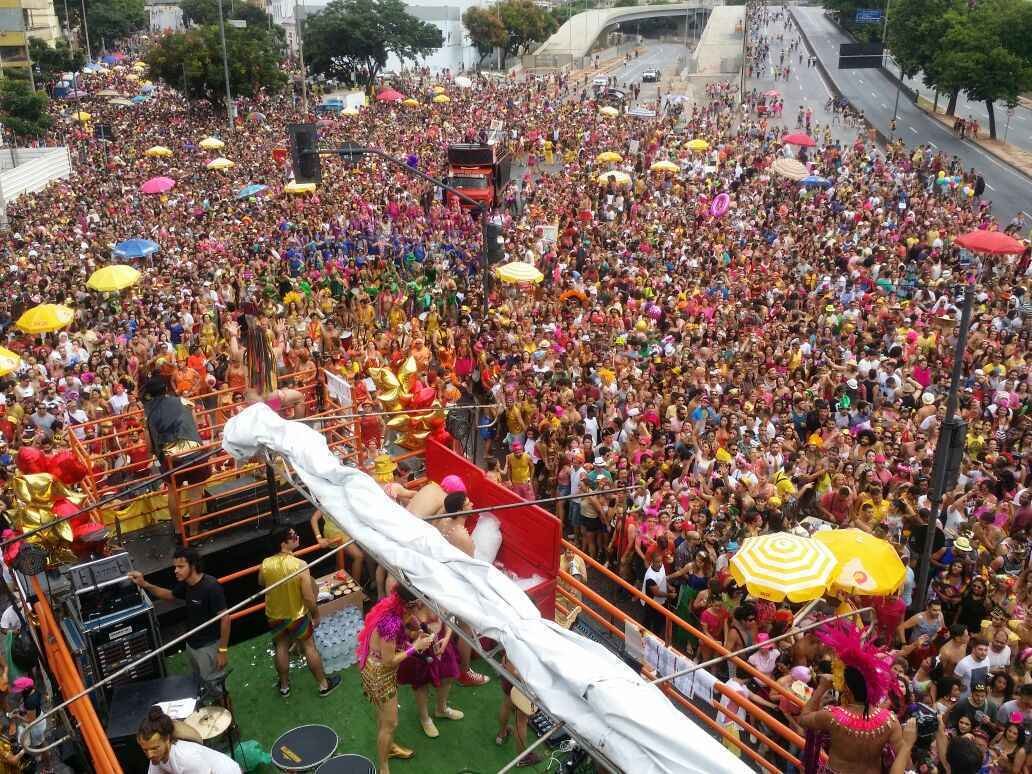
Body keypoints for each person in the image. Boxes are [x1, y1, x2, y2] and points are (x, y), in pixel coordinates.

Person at [799, 621, 904, 774]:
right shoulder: (890, 721)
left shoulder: (832, 716)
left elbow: (803, 719)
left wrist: (821, 688)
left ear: (847, 688)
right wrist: (908, 744)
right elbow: (904, 760)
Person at [128, 547, 230, 694]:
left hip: (208, 647)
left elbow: (225, 619)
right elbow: (170, 595)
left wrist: (222, 651)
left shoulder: (211, 587)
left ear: (193, 566)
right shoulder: (187, 583)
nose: (176, 570)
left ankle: (225, 707)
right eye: (175, 567)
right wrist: (145, 584)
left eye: (180, 566)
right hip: (192, 644)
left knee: (218, 688)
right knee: (200, 683)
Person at [356, 585, 435, 774]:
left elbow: (401, 634)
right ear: (409, 605)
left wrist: (415, 633)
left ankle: (389, 747)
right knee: (391, 724)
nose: (421, 609)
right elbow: (389, 661)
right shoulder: (390, 623)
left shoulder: (393, 608)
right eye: (419, 605)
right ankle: (383, 768)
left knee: (383, 716)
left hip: (375, 670)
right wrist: (415, 647)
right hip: (380, 675)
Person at [258, 528, 341, 699]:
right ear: (283, 543)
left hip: (275, 615)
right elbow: (309, 597)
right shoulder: (300, 565)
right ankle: (323, 685)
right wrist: (315, 615)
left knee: (281, 646)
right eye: (293, 536)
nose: (297, 537)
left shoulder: (265, 563)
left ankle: (284, 687)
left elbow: (262, 582)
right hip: (297, 615)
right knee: (309, 647)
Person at [396, 598, 463, 738]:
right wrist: (415, 636)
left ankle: (441, 709)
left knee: (448, 676)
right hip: (419, 647)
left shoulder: (437, 592)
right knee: (420, 683)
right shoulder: (407, 598)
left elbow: (448, 618)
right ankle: (424, 718)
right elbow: (400, 630)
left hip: (441, 642)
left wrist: (447, 638)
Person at [137, 705, 241, 774]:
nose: (149, 755)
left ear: (167, 739)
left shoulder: (186, 758)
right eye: (145, 750)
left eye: (154, 748)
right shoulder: (157, 756)